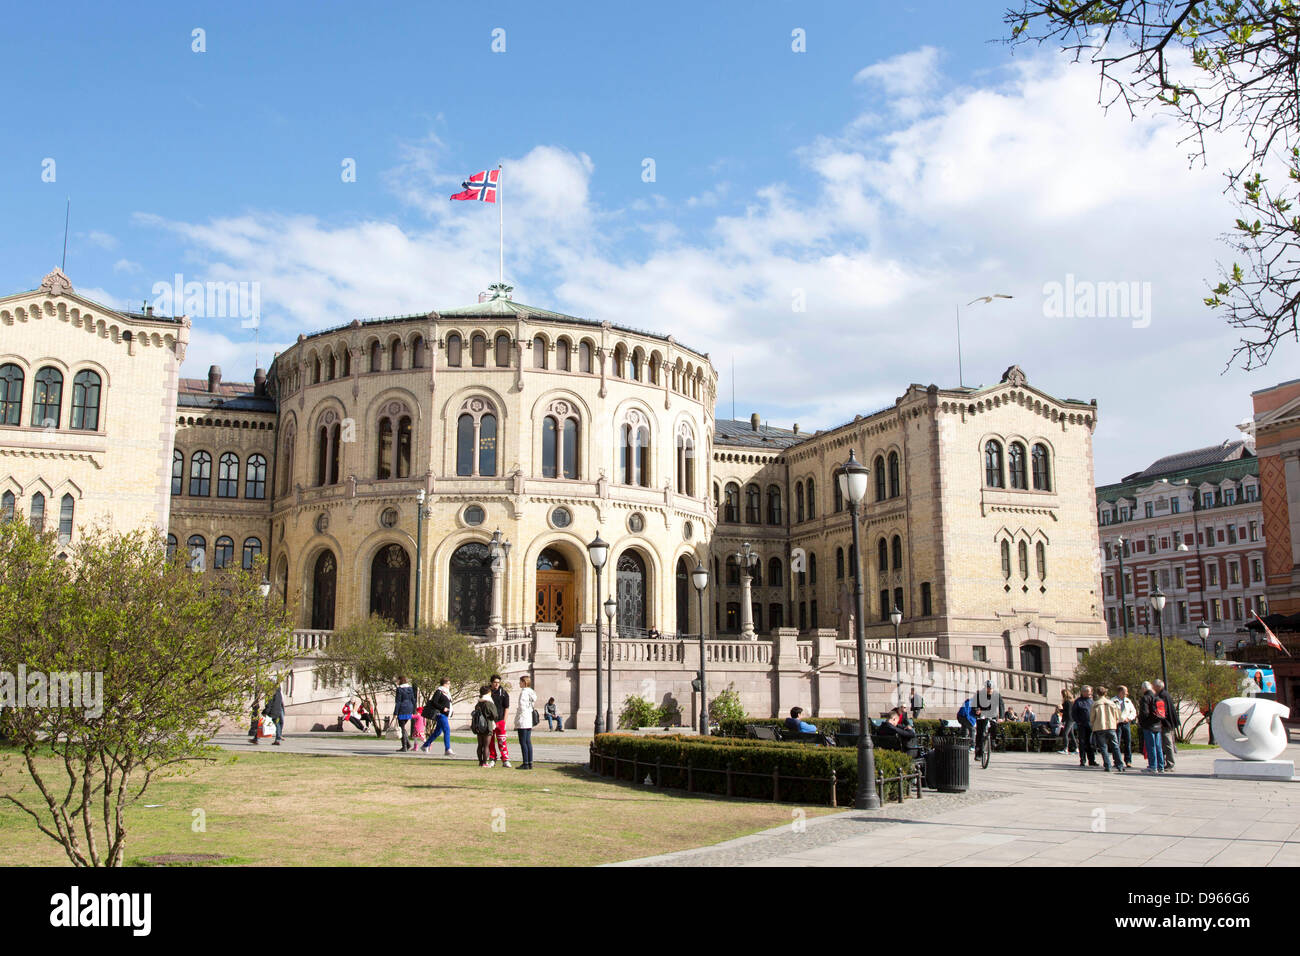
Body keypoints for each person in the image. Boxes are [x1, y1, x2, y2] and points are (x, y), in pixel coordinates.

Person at [1089, 685, 1124, 772]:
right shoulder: (1112, 703)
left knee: (1103, 747)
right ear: (1106, 693)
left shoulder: (1095, 704)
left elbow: (1092, 718)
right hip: (1111, 726)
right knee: (1115, 746)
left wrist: (1093, 724)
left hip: (1100, 726)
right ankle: (1119, 765)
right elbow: (1117, 716)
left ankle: (1107, 765)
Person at [420, 678, 455, 756]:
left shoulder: (447, 693)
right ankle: (447, 749)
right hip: (440, 714)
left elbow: (448, 703)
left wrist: (451, 710)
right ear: (444, 684)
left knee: (438, 732)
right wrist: (443, 708)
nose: (449, 685)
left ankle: (425, 745)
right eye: (448, 684)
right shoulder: (439, 692)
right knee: (447, 730)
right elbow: (434, 702)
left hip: (445, 714)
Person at [1138, 681, 1165, 773]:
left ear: (1144, 688)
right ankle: (1161, 766)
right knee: (1158, 746)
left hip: (1149, 725)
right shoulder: (1157, 698)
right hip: (1158, 724)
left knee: (1151, 746)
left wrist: (1141, 722)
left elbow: (1144, 713)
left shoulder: (1145, 698)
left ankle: (1153, 766)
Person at [471, 685, 499, 767]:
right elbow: (495, 715)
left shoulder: (479, 703)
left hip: (479, 726)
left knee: (480, 745)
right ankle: (484, 762)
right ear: (488, 693)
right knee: (486, 745)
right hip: (487, 726)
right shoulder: (489, 703)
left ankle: (480, 762)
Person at [1071, 686, 1097, 767]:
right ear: (1083, 692)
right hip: (1082, 725)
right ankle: (1082, 760)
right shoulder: (1078, 702)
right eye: (1088, 692)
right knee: (1082, 742)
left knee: (1090, 743)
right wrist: (1078, 722)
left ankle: (1092, 760)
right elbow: (1074, 713)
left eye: (1090, 691)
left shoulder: (1092, 701)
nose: (1090, 693)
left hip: (1090, 724)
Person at [489, 674, 511, 768]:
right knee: (490, 741)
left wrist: (504, 722)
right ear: (491, 683)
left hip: (500, 720)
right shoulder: (488, 692)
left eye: (498, 682)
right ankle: (492, 758)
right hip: (490, 721)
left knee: (502, 740)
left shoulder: (503, 693)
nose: (496, 684)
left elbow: (506, 708)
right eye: (495, 682)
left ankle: (505, 759)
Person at [516, 675, 538, 770]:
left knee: (523, 741)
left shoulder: (524, 693)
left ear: (524, 682)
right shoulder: (531, 692)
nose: (519, 683)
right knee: (528, 741)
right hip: (528, 719)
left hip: (523, 718)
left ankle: (525, 762)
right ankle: (529, 762)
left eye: (520, 682)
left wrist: (518, 718)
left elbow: (522, 706)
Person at [1154, 679, 1177, 771]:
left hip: (1166, 723)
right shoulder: (1166, 694)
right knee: (1168, 743)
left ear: (1158, 686)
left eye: (1154, 686)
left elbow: (1163, 711)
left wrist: (1160, 720)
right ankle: (1168, 762)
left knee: (1167, 743)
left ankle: (1171, 764)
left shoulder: (1161, 696)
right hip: (1170, 723)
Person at [1114, 686, 1137, 769]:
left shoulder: (1128, 701)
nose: (1127, 694)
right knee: (1117, 743)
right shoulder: (1113, 701)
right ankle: (1117, 760)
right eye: (1125, 692)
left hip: (1126, 723)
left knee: (1128, 742)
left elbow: (1133, 711)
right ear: (1120, 692)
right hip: (1117, 724)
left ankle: (1128, 760)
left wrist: (1129, 718)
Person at [393, 675, 417, 752]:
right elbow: (413, 700)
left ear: (400, 680)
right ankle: (407, 744)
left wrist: (395, 713)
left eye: (397, 680)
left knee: (402, 728)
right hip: (409, 708)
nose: (396, 681)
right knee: (402, 727)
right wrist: (414, 710)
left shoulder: (399, 689)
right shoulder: (410, 688)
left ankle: (405, 746)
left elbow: (398, 702)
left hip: (402, 709)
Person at [1061, 688, 1077, 754]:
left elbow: (1067, 711)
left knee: (1065, 733)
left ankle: (1065, 748)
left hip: (1069, 719)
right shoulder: (1071, 701)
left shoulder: (1067, 702)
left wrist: (1061, 710)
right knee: (1071, 734)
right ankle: (1076, 748)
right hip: (1072, 718)